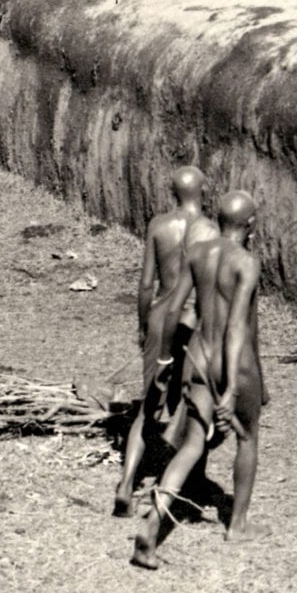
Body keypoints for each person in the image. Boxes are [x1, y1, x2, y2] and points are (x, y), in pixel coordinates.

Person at [132, 190, 266, 567]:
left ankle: (152, 527)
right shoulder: (246, 262)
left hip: (197, 356)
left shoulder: (197, 252)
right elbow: (237, 326)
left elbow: (174, 307)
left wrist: (164, 359)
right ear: (251, 225)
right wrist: (233, 388)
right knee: (247, 438)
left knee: (192, 444)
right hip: (234, 362)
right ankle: (237, 525)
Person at [114, 166, 211, 517]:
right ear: (203, 190)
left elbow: (145, 285)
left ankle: (126, 484)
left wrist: (143, 326)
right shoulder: (211, 231)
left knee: (149, 406)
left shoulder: (158, 225)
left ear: (173, 193)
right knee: (193, 402)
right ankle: (189, 481)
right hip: (192, 322)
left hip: (159, 317)